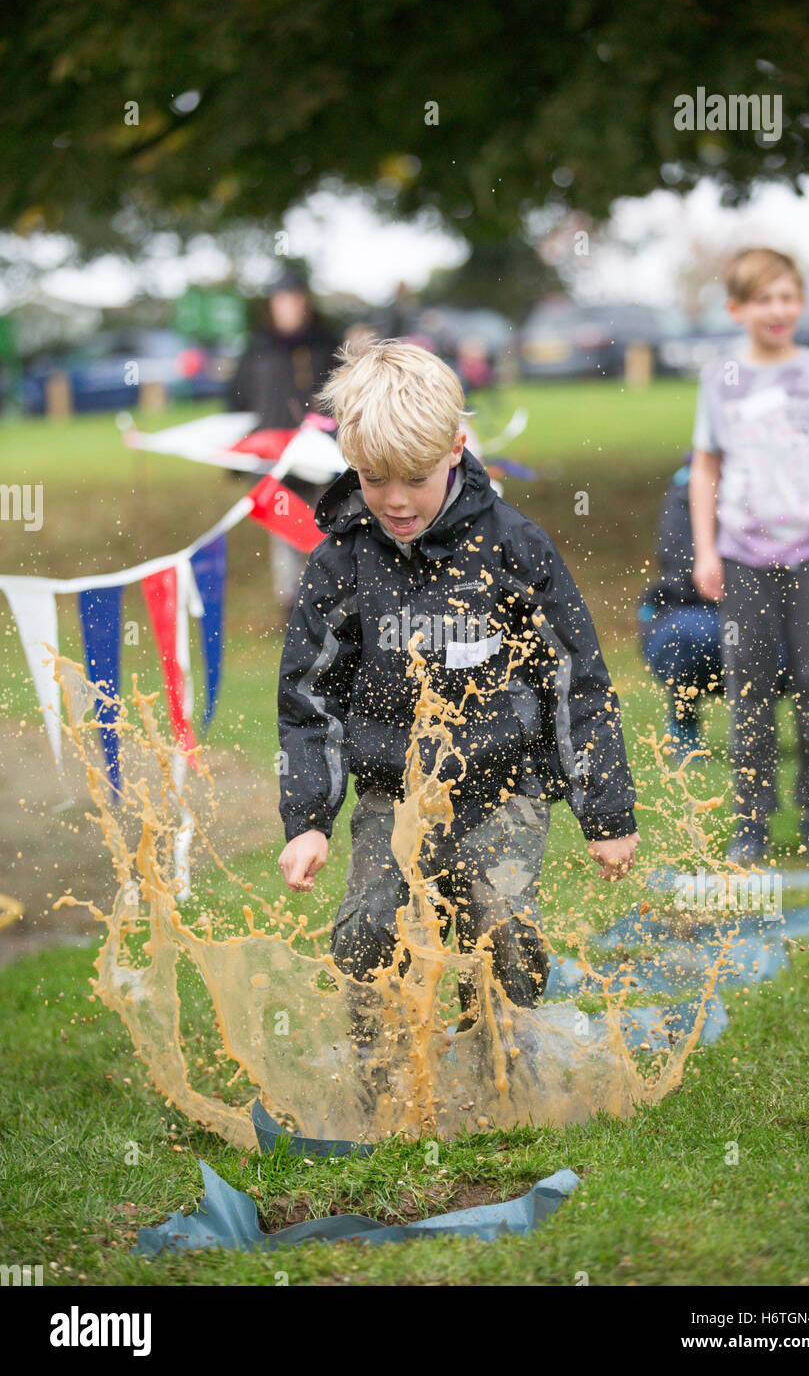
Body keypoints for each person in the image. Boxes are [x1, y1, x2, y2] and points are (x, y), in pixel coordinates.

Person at [275, 340, 639, 1050]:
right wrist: (310, 818)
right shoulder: (342, 559)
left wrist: (606, 810)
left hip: (505, 786)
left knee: (499, 932)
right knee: (367, 935)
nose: (397, 500)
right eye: (375, 478)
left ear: (455, 448)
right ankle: (380, 1071)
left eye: (414, 476)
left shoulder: (513, 548)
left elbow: (574, 682)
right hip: (391, 790)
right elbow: (309, 698)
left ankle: (501, 1058)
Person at [690, 248, 809, 863]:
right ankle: (752, 822)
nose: (779, 309)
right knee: (751, 691)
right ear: (737, 308)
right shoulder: (721, 377)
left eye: (788, 296)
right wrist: (707, 549)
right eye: (764, 298)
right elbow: (705, 466)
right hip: (742, 558)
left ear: (801, 303)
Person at [638, 456, 788, 757]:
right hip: (695, 608)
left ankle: (765, 729)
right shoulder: (689, 484)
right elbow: (683, 570)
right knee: (693, 636)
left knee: (799, 636)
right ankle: (684, 718)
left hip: (767, 612)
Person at [227, 269, 340, 614]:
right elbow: (238, 403)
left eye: (294, 300)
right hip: (275, 463)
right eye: (282, 301)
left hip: (324, 459)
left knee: (326, 529)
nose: (289, 307)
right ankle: (290, 606)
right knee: (286, 534)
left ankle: (330, 600)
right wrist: (238, 454)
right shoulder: (257, 350)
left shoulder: (326, 346)